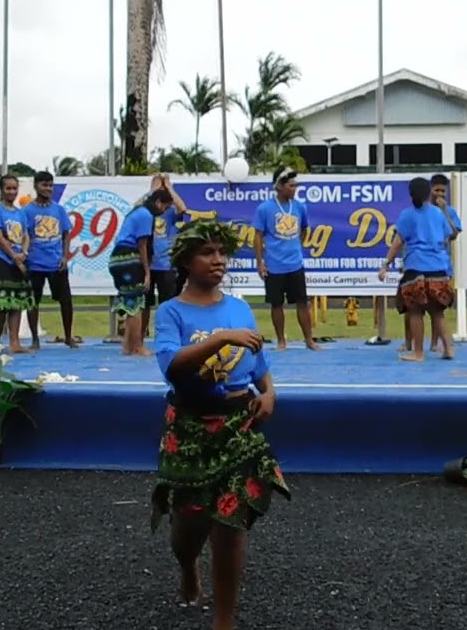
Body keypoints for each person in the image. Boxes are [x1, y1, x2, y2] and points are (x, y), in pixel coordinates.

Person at [151, 219, 290, 630]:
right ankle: (188, 565)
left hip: (238, 426)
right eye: (207, 253)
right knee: (189, 523)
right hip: (191, 427)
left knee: (230, 522)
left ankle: (224, 621)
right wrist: (221, 339)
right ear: (185, 261)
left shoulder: (240, 307)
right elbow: (173, 367)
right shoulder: (171, 312)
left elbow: (258, 364)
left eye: (221, 252)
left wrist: (269, 393)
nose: (218, 260)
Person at [378, 177, 455, 361]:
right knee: (437, 312)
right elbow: (449, 234)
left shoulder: (407, 215)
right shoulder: (438, 214)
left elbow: (398, 242)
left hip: (415, 267)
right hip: (438, 268)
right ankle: (448, 349)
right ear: (429, 193)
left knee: (415, 311)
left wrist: (385, 264)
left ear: (411, 194)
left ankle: (418, 352)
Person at [252, 167, 319, 351]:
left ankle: (309, 340)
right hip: (274, 264)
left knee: (302, 302)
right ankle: (281, 341)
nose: (294, 189)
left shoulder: (299, 206)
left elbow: (304, 228)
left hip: (295, 263)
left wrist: (298, 246)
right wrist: (260, 261)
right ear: (279, 186)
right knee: (276, 304)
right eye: (291, 186)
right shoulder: (265, 208)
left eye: (296, 185)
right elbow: (257, 235)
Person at [23, 171, 77, 350]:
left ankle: (69, 337)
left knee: (66, 300)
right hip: (35, 263)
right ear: (36, 186)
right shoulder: (27, 211)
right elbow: (24, 235)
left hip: (56, 263)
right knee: (33, 301)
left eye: (50, 185)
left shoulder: (58, 209)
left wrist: (64, 256)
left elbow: (66, 234)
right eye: (44, 185)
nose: (48, 189)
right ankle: (35, 339)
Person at [112, 190, 169, 357]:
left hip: (119, 258)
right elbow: (142, 245)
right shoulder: (146, 215)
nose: (165, 211)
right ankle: (137, 346)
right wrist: (146, 271)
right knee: (136, 304)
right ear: (158, 202)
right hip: (128, 257)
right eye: (166, 207)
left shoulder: (138, 211)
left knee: (130, 302)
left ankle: (127, 346)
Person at [0, 174, 35, 354]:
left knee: (17, 302)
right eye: (8, 188)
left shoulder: (20, 212)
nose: (12, 192)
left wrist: (23, 253)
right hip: (1, 260)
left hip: (18, 260)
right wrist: (13, 256)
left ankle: (15, 342)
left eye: (14, 188)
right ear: (1, 189)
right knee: (1, 303)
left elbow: (26, 235)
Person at [142, 174, 189, 340]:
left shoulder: (169, 212)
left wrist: (170, 188)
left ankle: (165, 336)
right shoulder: (145, 210)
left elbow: (182, 208)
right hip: (147, 263)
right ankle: (141, 336)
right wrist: (152, 191)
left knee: (167, 304)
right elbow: (134, 207)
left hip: (165, 264)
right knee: (144, 304)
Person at [419, 174, 461, 354]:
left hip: (442, 265)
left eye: (443, 191)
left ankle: (436, 343)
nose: (439, 194)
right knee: (418, 307)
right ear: (430, 191)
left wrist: (444, 212)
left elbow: (454, 234)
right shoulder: (421, 211)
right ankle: (412, 342)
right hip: (422, 264)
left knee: (437, 308)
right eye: (436, 190)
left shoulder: (449, 211)